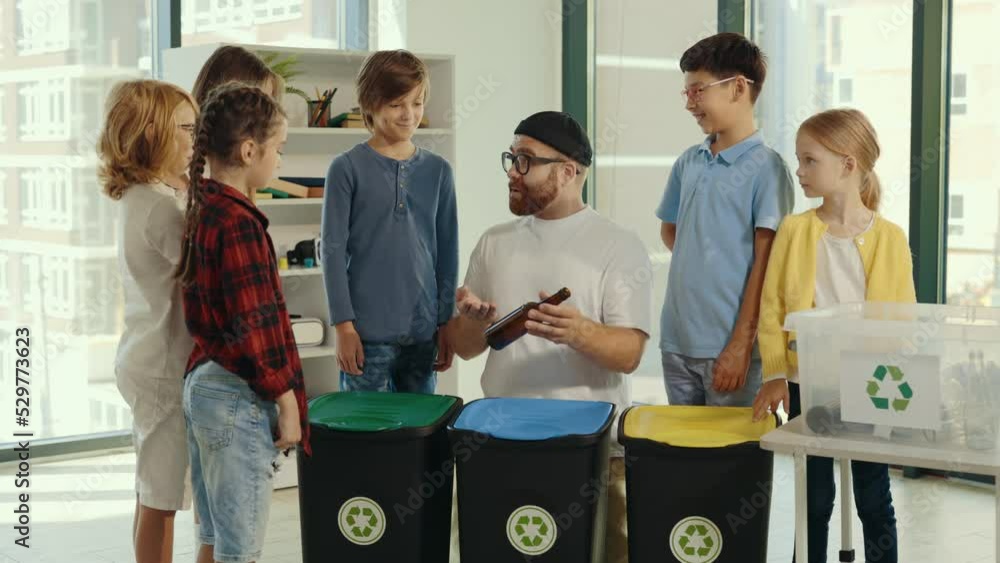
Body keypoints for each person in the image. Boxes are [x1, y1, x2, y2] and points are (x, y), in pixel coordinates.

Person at [447, 111, 652, 563]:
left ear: (567, 171)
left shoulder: (618, 245)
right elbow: (464, 348)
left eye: (525, 161)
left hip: (589, 453)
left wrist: (580, 332)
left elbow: (631, 353)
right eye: (511, 158)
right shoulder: (493, 242)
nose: (511, 173)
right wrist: (472, 320)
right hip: (499, 447)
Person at [753, 108, 913, 563]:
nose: (799, 172)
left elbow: (901, 320)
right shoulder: (794, 230)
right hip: (810, 383)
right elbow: (773, 309)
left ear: (848, 165)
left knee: (873, 497)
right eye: (799, 161)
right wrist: (776, 373)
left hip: (871, 386)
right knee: (815, 497)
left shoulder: (890, 239)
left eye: (809, 161)